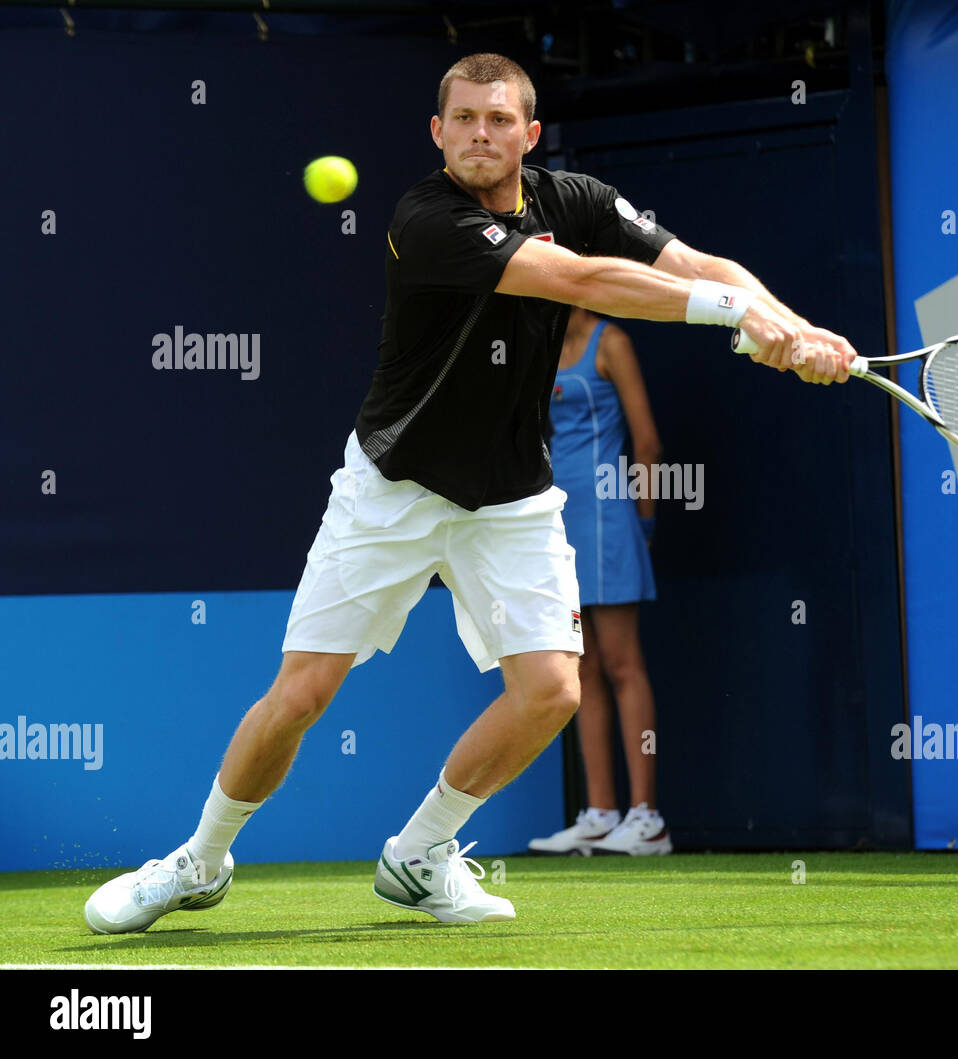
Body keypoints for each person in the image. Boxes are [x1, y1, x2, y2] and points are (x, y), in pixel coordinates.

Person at [83, 52, 855, 932]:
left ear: (529, 134)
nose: (480, 134)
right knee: (301, 694)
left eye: (499, 120)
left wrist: (791, 327)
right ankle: (198, 859)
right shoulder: (427, 219)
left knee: (553, 691)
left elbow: (698, 259)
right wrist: (738, 319)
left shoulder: (580, 199)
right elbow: (584, 281)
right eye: (464, 119)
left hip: (512, 498)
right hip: (392, 487)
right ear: (438, 131)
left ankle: (418, 855)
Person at [528, 307, 668, 856]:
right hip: (560, 521)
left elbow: (648, 443)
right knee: (581, 666)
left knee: (621, 663)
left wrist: (646, 520)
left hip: (611, 519)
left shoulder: (612, 343)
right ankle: (601, 812)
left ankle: (647, 819)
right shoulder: (540, 345)